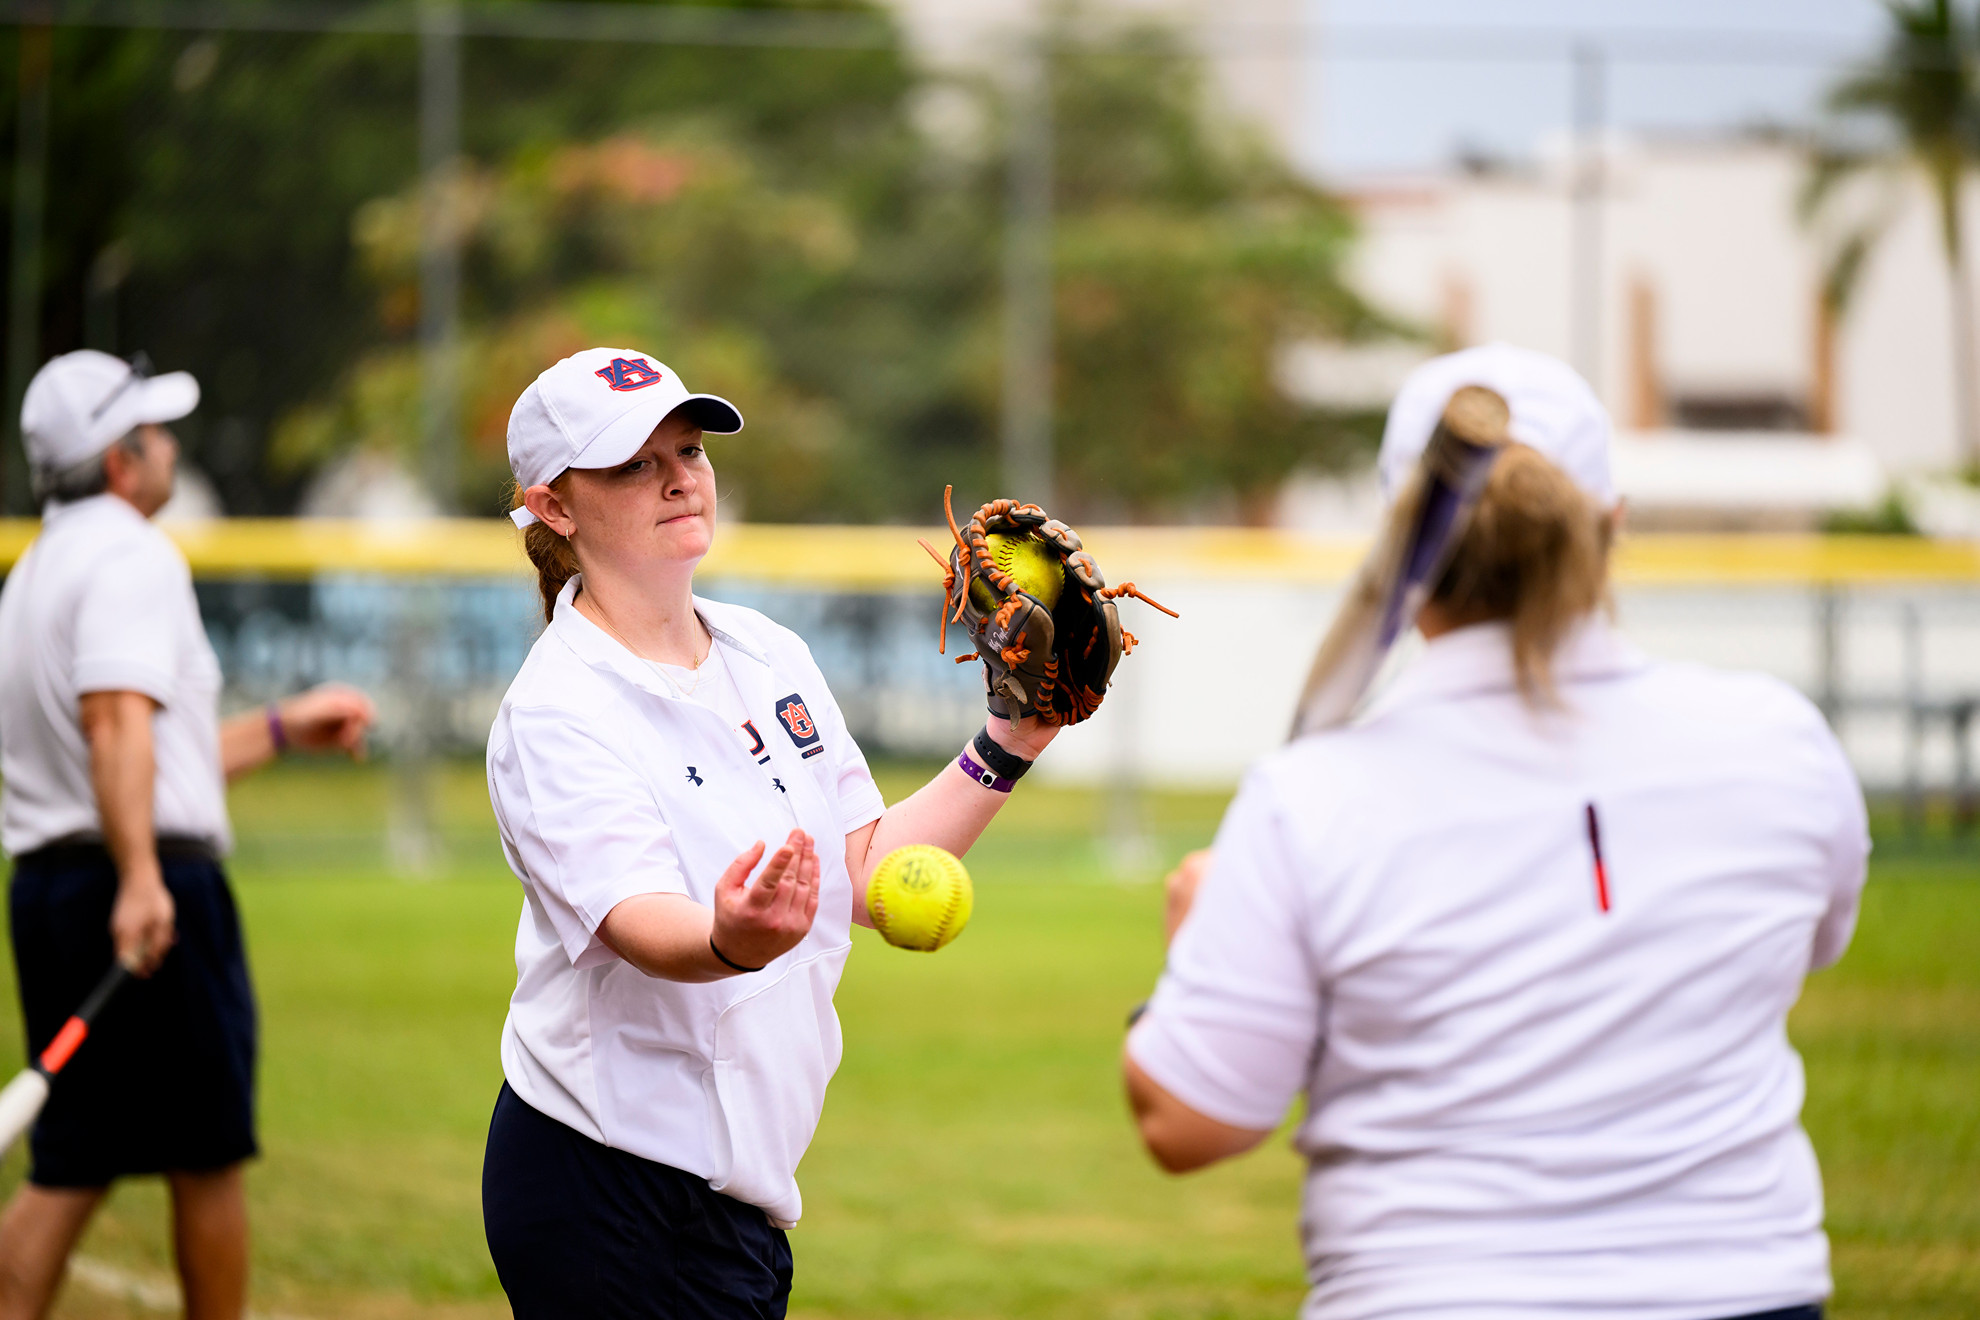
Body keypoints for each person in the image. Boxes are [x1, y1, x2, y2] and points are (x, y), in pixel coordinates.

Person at [1123, 343, 1869, 1320]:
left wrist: (1193, 958)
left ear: (1393, 546)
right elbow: (1815, 945)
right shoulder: (1780, 741)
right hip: (1749, 1293)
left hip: (1434, 1295)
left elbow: (1190, 1123)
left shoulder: (1311, 798)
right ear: (1613, 525)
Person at [480, 347, 1063, 1318]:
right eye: (634, 463)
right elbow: (639, 922)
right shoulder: (557, 710)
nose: (679, 478)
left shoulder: (768, 652)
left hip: (736, 1192)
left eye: (691, 450)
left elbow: (864, 870)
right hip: (607, 1178)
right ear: (554, 507)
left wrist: (1012, 738)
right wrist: (729, 938)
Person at [0, 350, 376, 1320]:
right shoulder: (133, 556)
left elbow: (147, 755)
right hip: (147, 886)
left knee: (71, 1162)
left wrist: (283, 728)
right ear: (120, 461)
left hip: (52, 888)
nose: (171, 446)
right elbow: (116, 725)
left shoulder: (34, 571)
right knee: (206, 1155)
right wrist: (140, 877)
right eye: (156, 432)